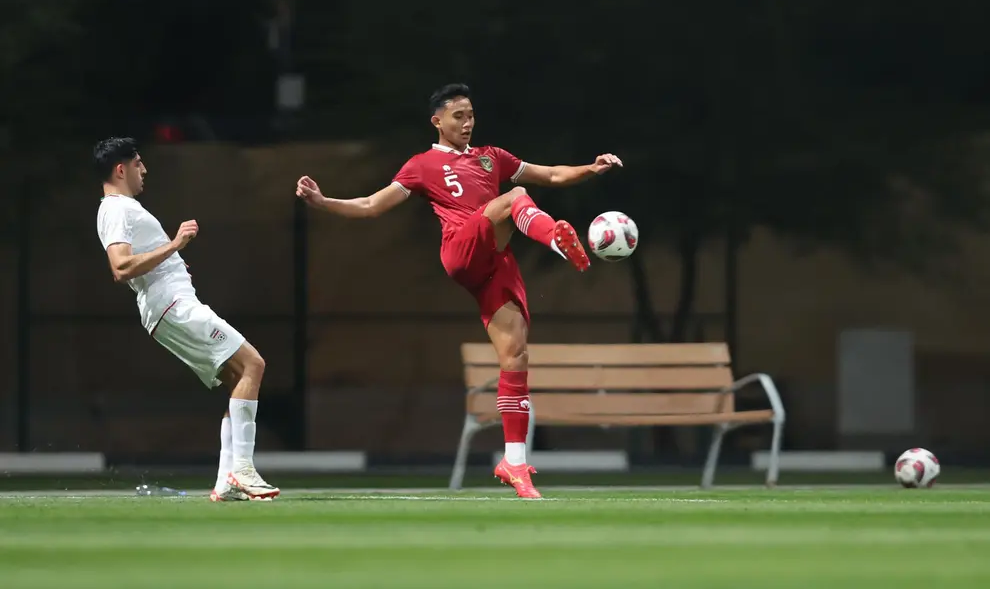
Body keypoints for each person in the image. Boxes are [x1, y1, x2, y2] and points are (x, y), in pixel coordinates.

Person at [295, 84, 621, 499]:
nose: (467, 123)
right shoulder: (422, 165)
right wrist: (324, 201)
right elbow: (372, 205)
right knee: (516, 196)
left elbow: (553, 174)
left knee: (516, 356)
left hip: (496, 262)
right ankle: (555, 242)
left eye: (471, 115)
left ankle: (515, 463)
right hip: (461, 250)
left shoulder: (492, 157)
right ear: (437, 121)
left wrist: (591, 169)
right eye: (458, 116)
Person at [93, 137, 279, 502]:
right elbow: (121, 267)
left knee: (238, 379)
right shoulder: (116, 208)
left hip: (170, 305)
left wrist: (172, 260)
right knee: (253, 364)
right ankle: (243, 470)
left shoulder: (121, 208)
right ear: (120, 169)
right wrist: (175, 245)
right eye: (138, 163)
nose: (144, 169)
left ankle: (227, 481)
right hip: (172, 305)